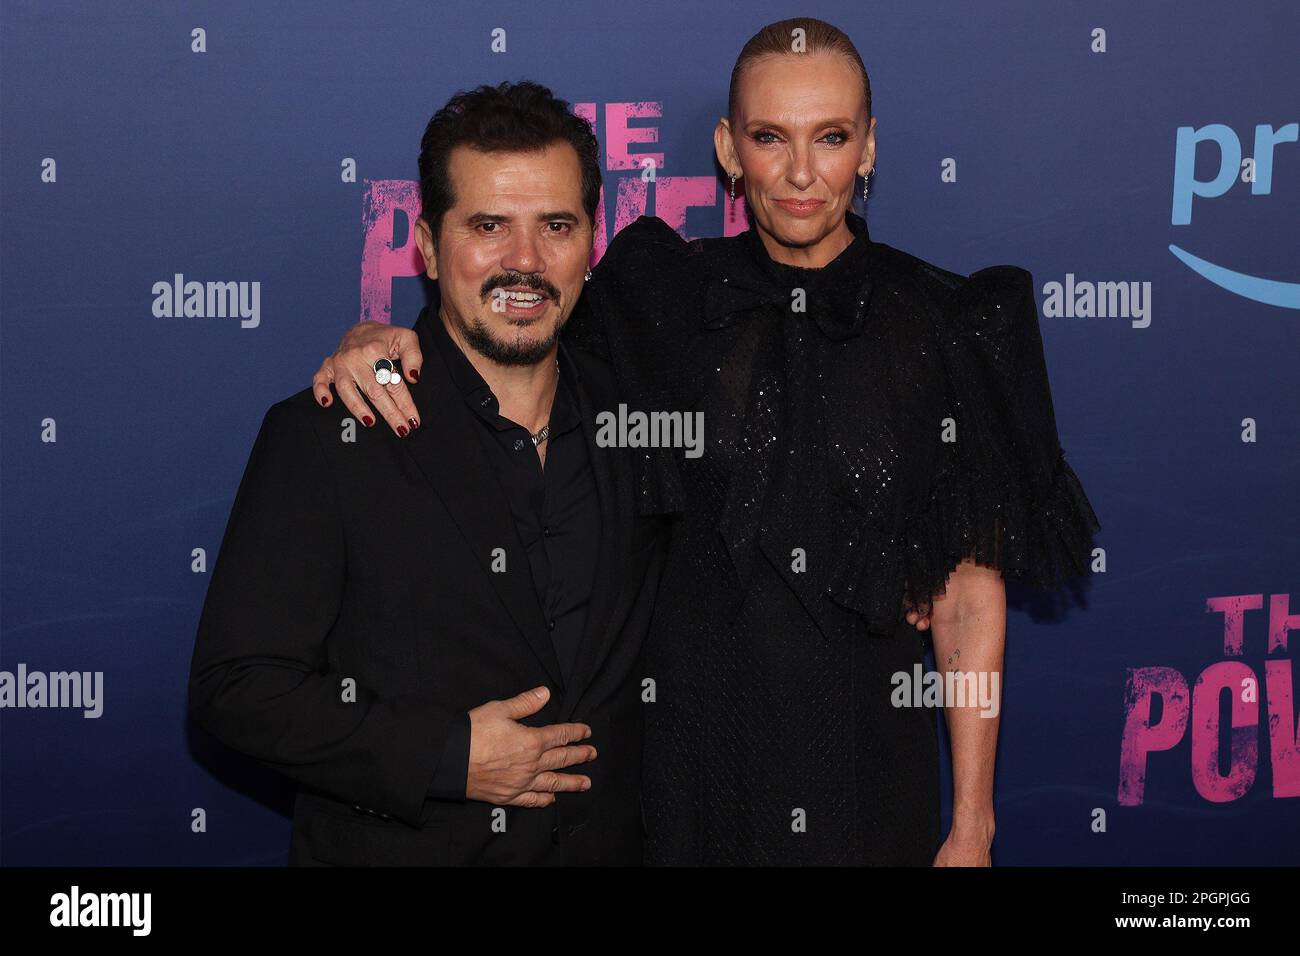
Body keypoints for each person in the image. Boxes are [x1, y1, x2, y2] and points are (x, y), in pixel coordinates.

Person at [311, 18, 1101, 865]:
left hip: (869, 766)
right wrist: (383, 337)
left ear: (869, 147)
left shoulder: (945, 329)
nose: (801, 173)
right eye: (770, 138)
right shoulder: (660, 295)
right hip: (683, 770)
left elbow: (967, 602)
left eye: (831, 137)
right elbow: (512, 346)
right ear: (729, 148)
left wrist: (972, 823)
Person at [188, 81, 674, 865]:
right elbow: (236, 686)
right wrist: (447, 755)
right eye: (489, 226)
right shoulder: (329, 434)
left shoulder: (647, 424)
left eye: (556, 225)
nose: (525, 260)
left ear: (593, 239)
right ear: (425, 244)